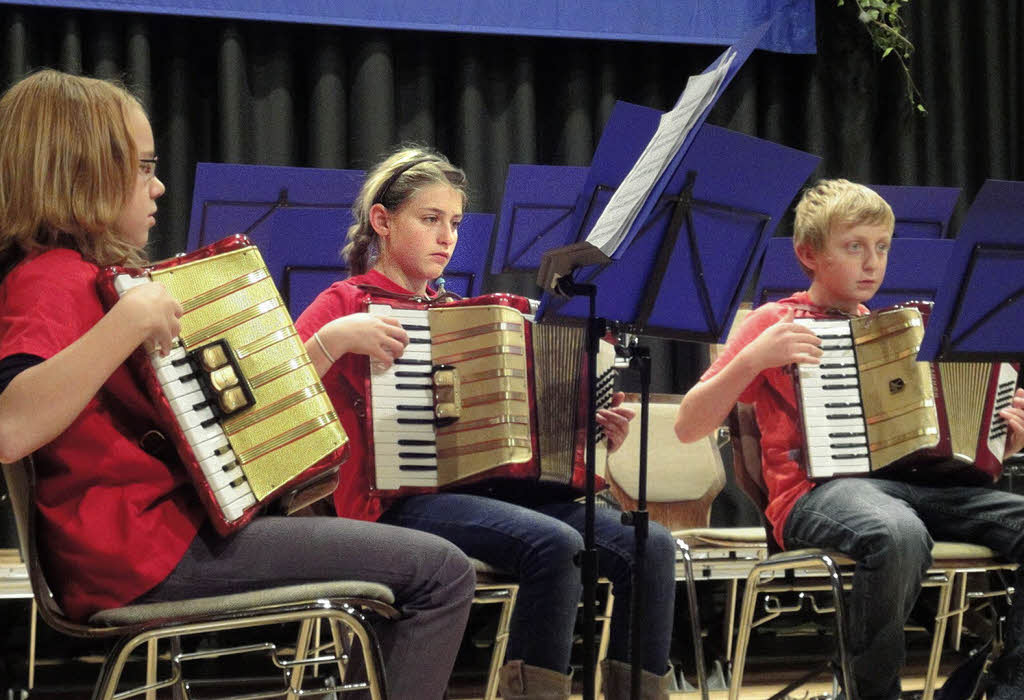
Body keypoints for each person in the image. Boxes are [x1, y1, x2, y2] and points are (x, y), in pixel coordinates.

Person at [0, 69, 476, 700]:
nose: (158, 186)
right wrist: (128, 322)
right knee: (441, 573)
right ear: (82, 172)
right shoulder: (47, 278)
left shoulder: (82, 276)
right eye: (144, 167)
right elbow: (10, 426)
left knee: (428, 565)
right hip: (140, 555)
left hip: (162, 541)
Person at [294, 146, 679, 700]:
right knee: (556, 545)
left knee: (651, 544)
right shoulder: (345, 302)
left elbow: (513, 424)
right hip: (392, 500)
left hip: (483, 493)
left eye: (454, 223)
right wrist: (330, 342)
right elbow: (278, 398)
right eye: (430, 219)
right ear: (382, 221)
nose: (446, 237)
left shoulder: (461, 313)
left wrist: (588, 429)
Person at [675, 178, 1024, 700]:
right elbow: (688, 426)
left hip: (916, 490)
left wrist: (999, 442)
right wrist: (753, 359)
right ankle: (870, 693)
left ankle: (1010, 687)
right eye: (855, 247)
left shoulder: (893, 329)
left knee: (920, 522)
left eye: (882, 247)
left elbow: (935, 439)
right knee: (896, 533)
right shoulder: (777, 321)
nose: (872, 263)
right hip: (815, 495)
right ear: (808, 254)